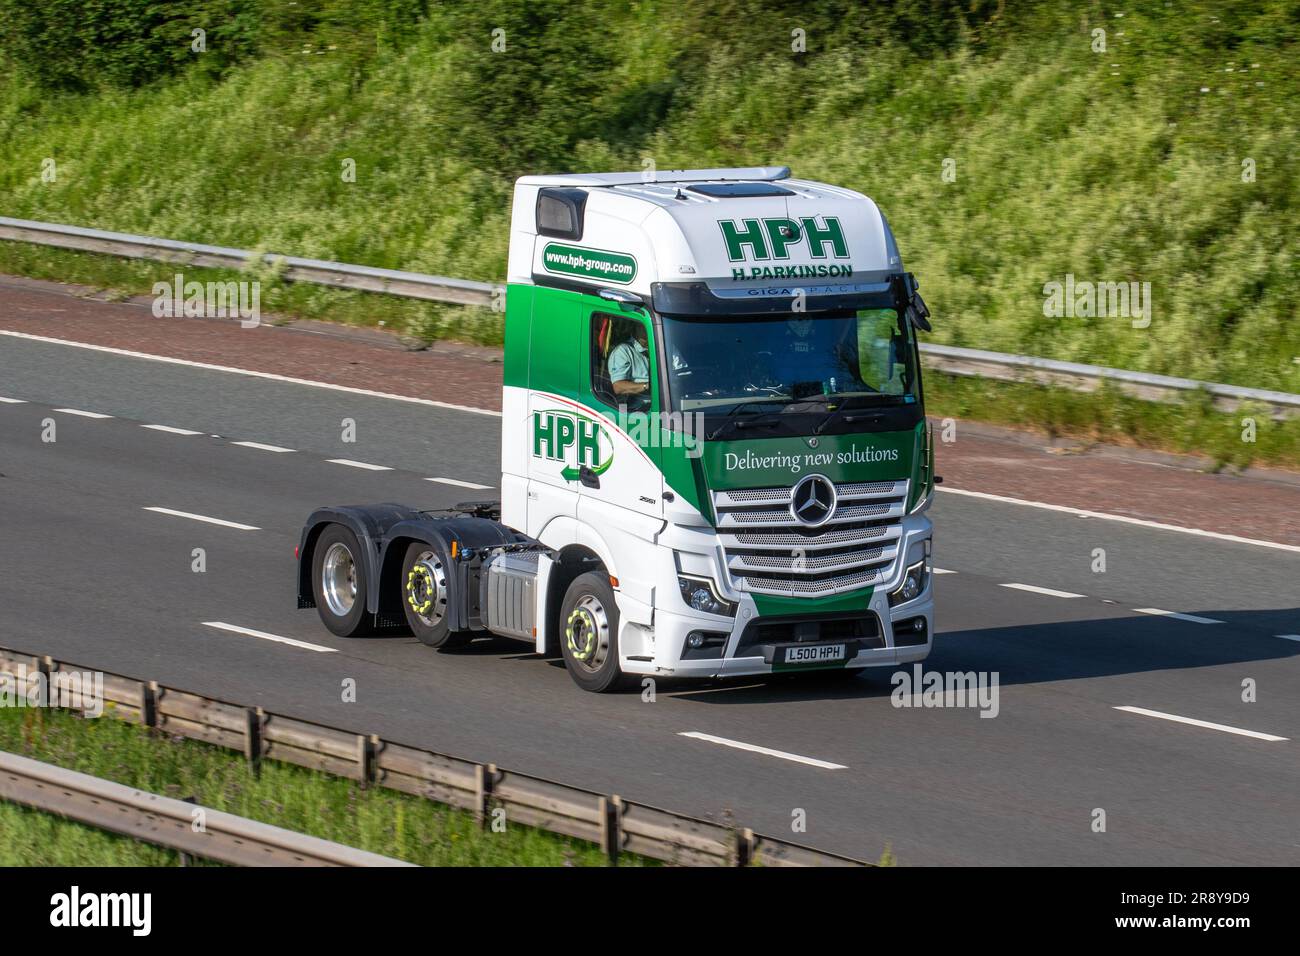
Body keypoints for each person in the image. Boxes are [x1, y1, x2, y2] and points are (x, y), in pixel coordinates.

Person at [608, 323, 650, 397]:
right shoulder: (623, 351)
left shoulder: (665, 348)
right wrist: (647, 386)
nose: (649, 328)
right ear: (635, 328)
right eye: (643, 325)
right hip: (640, 405)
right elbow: (618, 387)